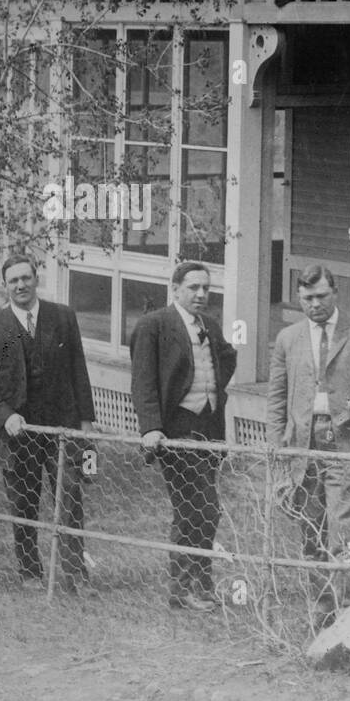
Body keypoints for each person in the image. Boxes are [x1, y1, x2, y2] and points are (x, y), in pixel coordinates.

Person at [0, 253, 96, 590]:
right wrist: (5, 416)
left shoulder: (63, 317)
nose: (21, 285)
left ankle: (75, 573)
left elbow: (79, 371)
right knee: (23, 503)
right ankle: (29, 571)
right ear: (4, 285)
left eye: (26, 278)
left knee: (70, 498)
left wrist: (86, 421)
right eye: (13, 280)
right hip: (18, 434)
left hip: (61, 429)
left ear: (36, 279)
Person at [268, 265, 350, 564]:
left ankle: (343, 591)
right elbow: (276, 396)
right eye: (307, 298)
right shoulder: (288, 338)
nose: (315, 304)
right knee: (310, 531)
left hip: (347, 441)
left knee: (341, 532)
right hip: (304, 443)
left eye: (322, 296)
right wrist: (276, 445)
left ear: (336, 292)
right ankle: (318, 592)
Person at [129, 261, 237, 612]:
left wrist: (212, 393)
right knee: (196, 508)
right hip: (176, 431)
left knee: (205, 511)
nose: (201, 294)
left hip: (209, 430)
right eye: (193, 287)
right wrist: (151, 426)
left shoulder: (210, 325)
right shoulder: (154, 325)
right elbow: (143, 379)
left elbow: (226, 358)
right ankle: (182, 586)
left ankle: (200, 583)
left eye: (206, 288)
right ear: (175, 289)